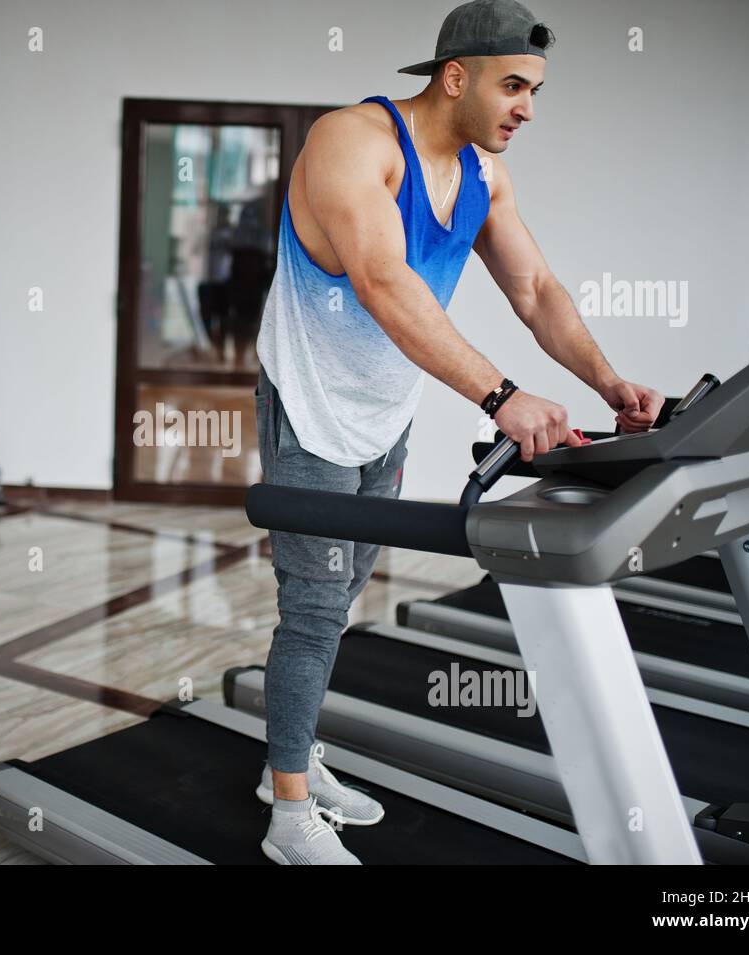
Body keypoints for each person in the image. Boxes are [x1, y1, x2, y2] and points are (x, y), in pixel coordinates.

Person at [252, 0, 664, 864]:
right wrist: (501, 395)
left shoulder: (485, 176)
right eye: (514, 85)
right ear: (455, 77)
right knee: (316, 606)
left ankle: (291, 760)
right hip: (313, 405)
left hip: (384, 413)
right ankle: (287, 813)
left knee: (341, 603)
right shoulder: (352, 143)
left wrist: (609, 380)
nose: (526, 107)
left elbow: (536, 290)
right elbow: (381, 280)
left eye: (535, 90)